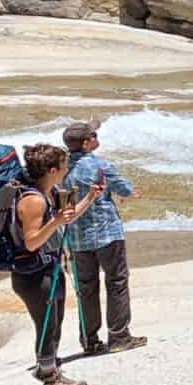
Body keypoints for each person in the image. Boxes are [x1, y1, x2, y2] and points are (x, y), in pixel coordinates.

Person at [11, 144, 102, 385]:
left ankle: (47, 369)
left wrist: (89, 198)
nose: (66, 170)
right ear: (52, 170)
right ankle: (51, 379)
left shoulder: (49, 193)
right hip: (33, 274)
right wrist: (56, 221)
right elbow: (31, 241)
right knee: (47, 326)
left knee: (55, 323)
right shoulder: (33, 201)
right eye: (64, 166)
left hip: (48, 269)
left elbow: (66, 218)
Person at [63, 121, 147, 356]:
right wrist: (132, 193)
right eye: (94, 135)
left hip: (77, 239)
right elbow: (124, 189)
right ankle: (119, 336)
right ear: (87, 142)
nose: (97, 137)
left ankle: (90, 341)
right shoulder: (100, 166)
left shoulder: (61, 168)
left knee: (86, 290)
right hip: (107, 234)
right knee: (116, 282)